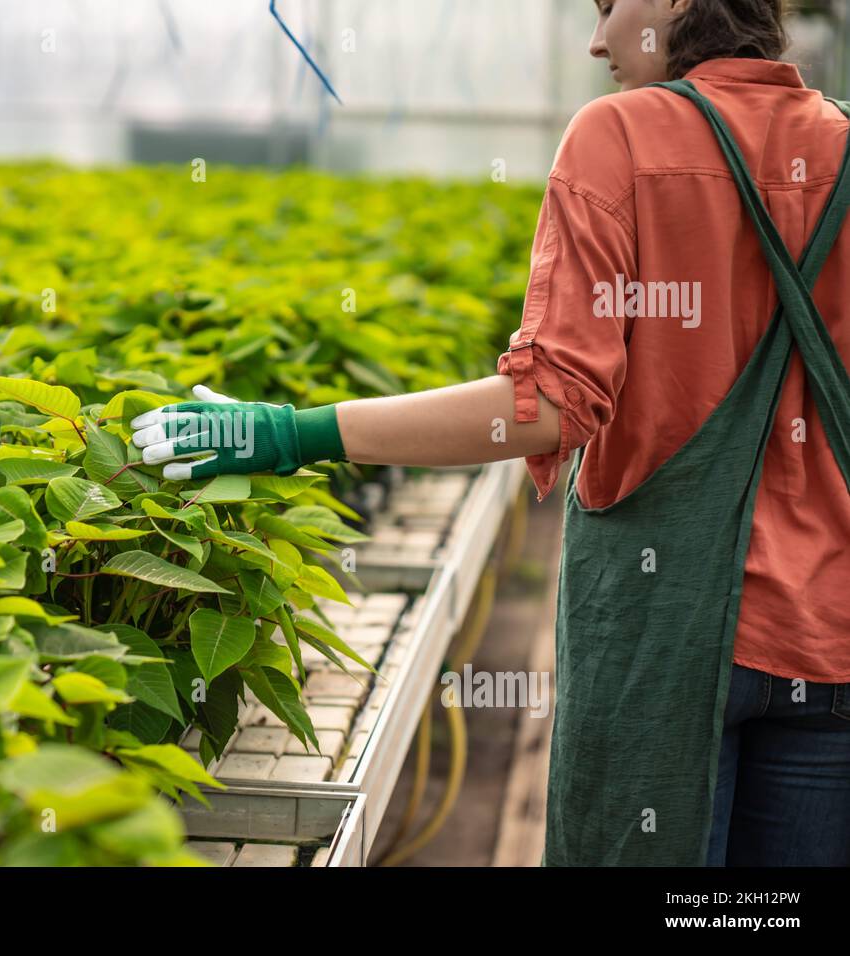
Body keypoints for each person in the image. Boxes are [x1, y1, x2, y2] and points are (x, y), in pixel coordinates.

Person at [129, 0, 850, 866]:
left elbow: (547, 405)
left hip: (668, 636)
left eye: (608, 7)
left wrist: (291, 434)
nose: (595, 39)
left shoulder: (619, 135)